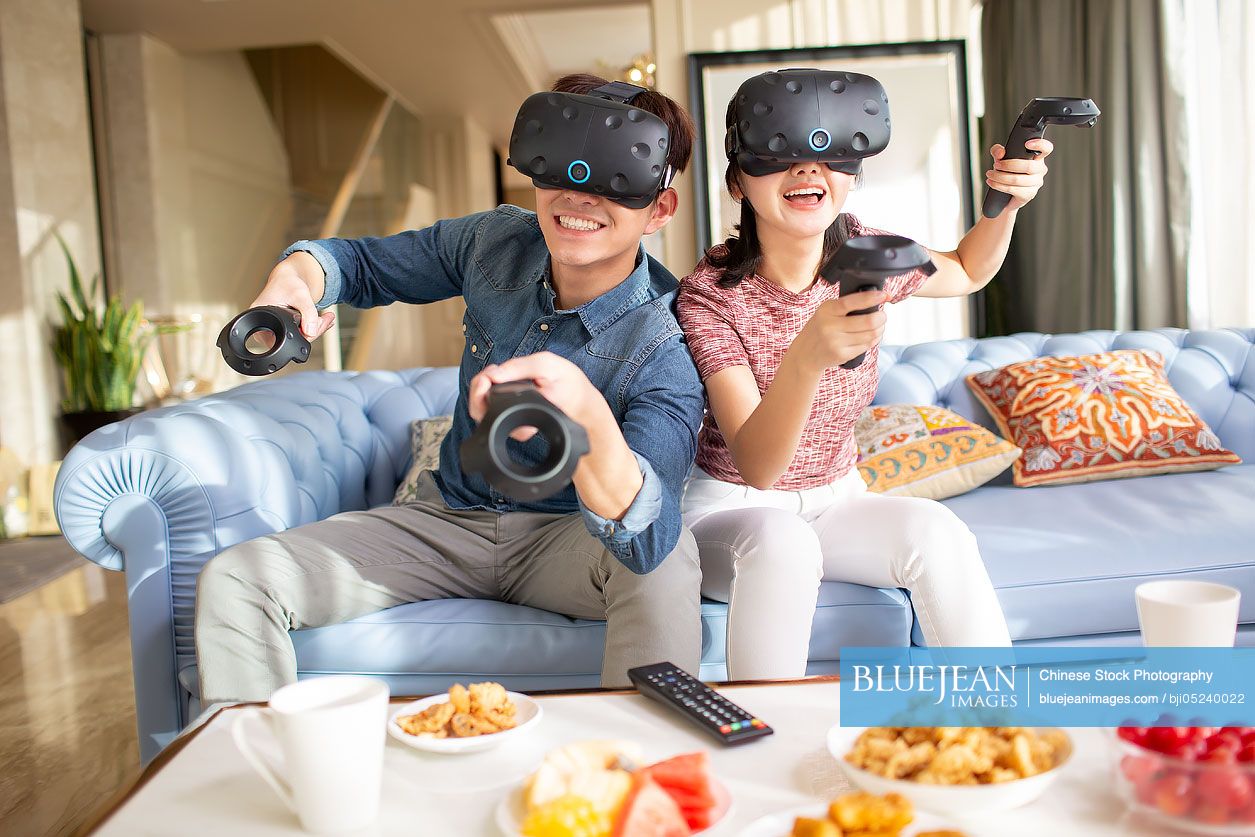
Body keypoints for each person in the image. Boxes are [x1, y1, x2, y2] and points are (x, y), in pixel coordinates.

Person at [194, 74, 706, 702]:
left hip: (569, 542)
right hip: (446, 521)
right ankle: (259, 760)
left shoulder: (670, 337)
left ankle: (636, 761)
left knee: (667, 562)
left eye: (614, 180)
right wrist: (297, 278)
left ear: (660, 209)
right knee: (238, 578)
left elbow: (648, 538)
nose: (579, 196)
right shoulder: (495, 242)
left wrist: (587, 418)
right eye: (563, 168)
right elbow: (357, 264)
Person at [676, 69, 1055, 679]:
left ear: (851, 174)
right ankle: (767, 732)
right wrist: (807, 357)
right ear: (737, 181)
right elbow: (759, 465)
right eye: (779, 155)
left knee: (936, 531)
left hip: (836, 500)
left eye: (829, 156)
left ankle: (994, 720)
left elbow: (965, 269)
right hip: (734, 512)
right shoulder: (710, 296)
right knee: (782, 545)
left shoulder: (866, 253)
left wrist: (1007, 203)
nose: (807, 170)